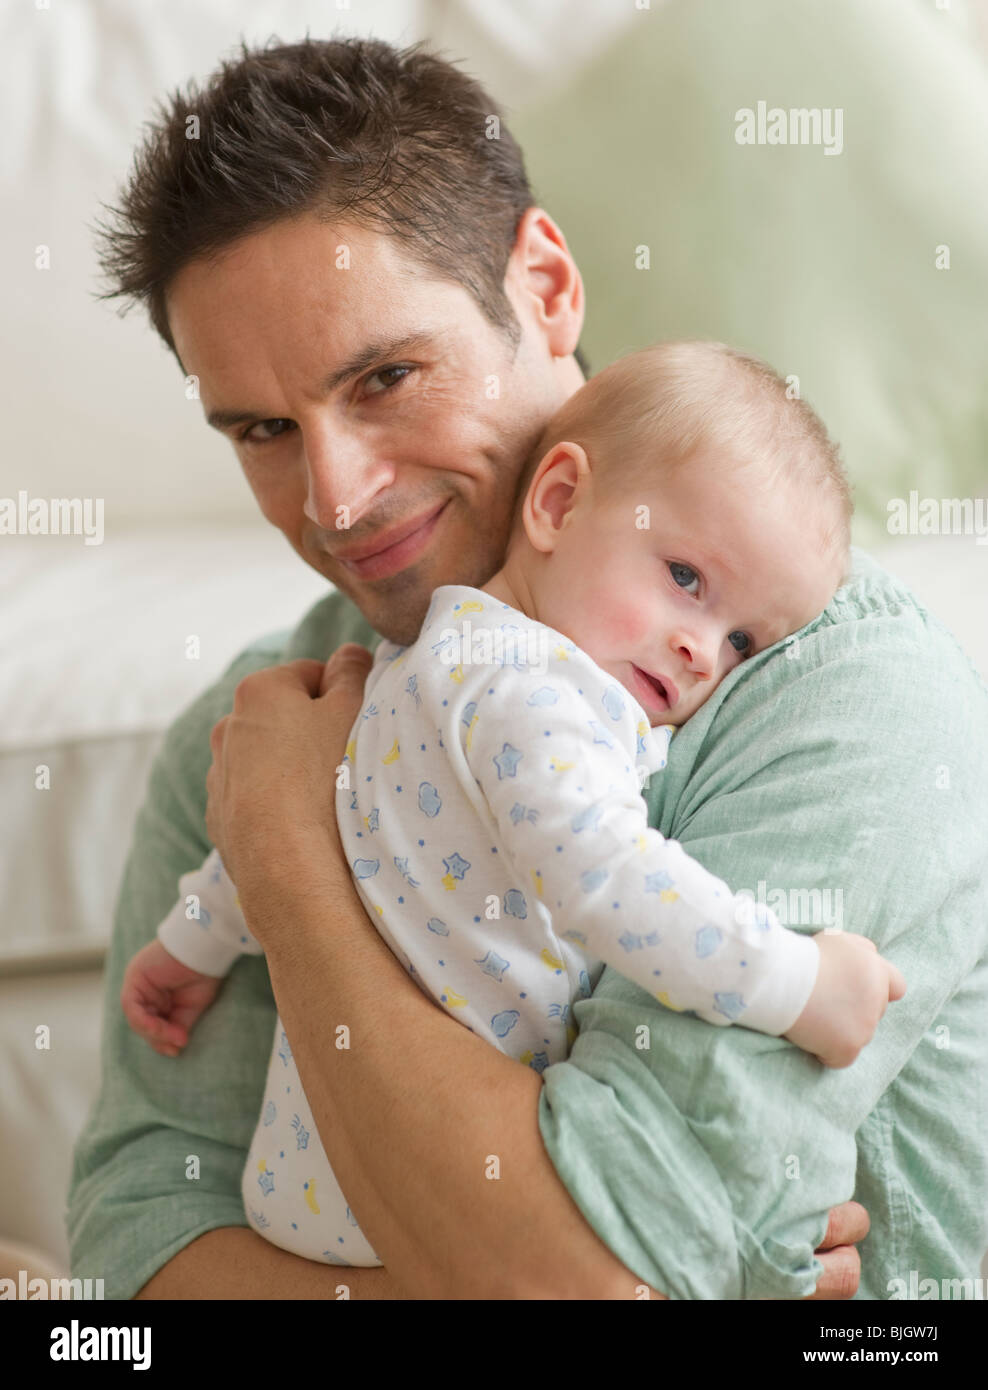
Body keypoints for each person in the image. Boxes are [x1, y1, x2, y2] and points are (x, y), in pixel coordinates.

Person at [69, 36, 988, 1300]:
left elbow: (581, 1289)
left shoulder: (843, 698)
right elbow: (133, 1261)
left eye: (386, 377)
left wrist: (289, 861)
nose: (335, 497)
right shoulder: (258, 723)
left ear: (547, 288)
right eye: (265, 430)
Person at [118, 341, 906, 1265]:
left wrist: (191, 942)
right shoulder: (538, 701)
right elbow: (608, 883)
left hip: (305, 1181)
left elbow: (288, 833)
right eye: (686, 579)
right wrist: (799, 985)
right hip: (435, 1195)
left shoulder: (405, 670)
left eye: (740, 640)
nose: (700, 650)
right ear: (559, 502)